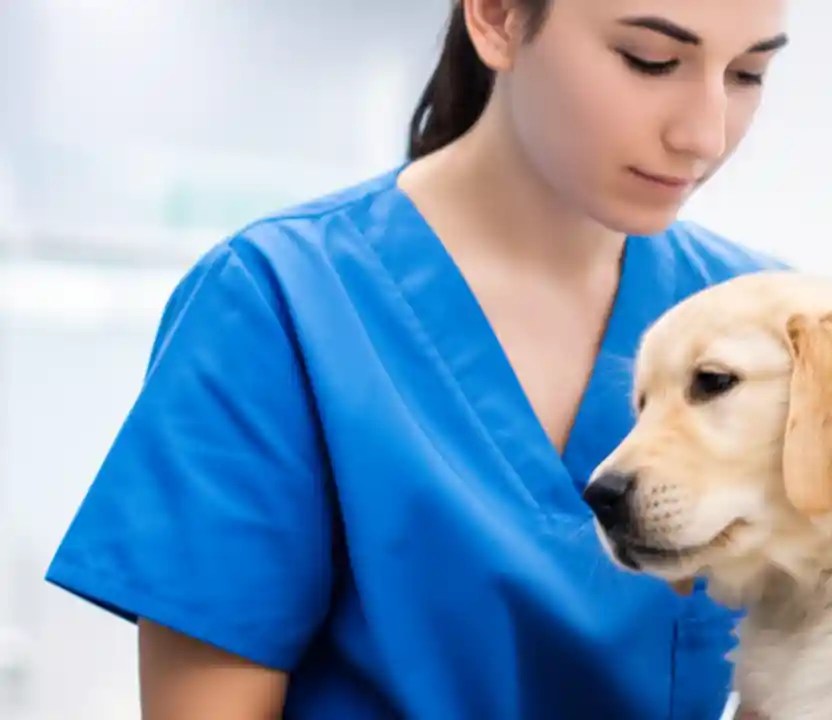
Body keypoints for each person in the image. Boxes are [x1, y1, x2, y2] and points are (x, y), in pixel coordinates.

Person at [45, 0, 792, 717]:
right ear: (497, 16)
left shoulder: (766, 324)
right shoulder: (281, 301)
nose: (705, 134)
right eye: (650, 60)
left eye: (747, 75)